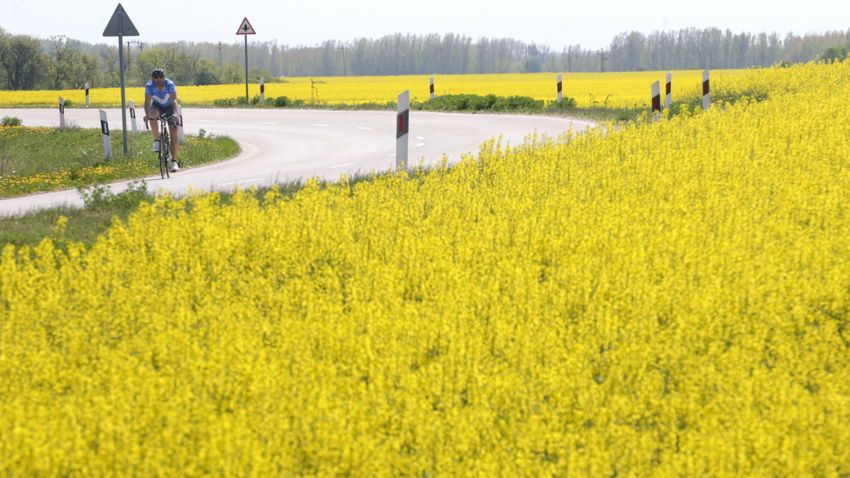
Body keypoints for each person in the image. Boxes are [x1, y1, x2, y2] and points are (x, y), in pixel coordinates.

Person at [144, 68, 180, 172]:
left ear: (164, 77)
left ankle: (174, 161)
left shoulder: (170, 84)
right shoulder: (150, 86)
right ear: (152, 78)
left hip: (169, 107)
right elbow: (147, 103)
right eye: (156, 77)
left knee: (173, 130)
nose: (159, 79)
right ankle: (156, 140)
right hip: (157, 106)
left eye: (161, 77)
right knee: (152, 114)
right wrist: (147, 115)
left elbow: (174, 100)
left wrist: (174, 114)